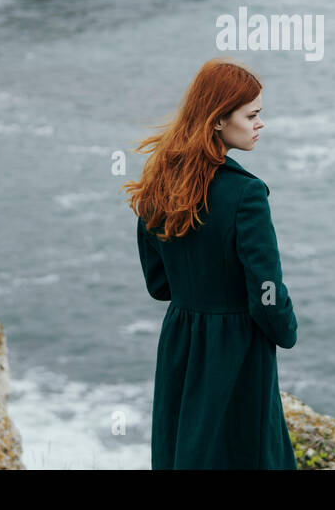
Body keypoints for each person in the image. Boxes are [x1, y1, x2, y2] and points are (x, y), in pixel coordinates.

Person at [124, 58, 298, 469]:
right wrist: (287, 331)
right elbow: (266, 294)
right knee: (248, 454)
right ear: (219, 120)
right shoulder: (246, 194)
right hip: (237, 347)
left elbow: (158, 285)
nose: (261, 124)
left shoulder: (158, 180)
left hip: (182, 339)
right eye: (252, 115)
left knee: (186, 448)